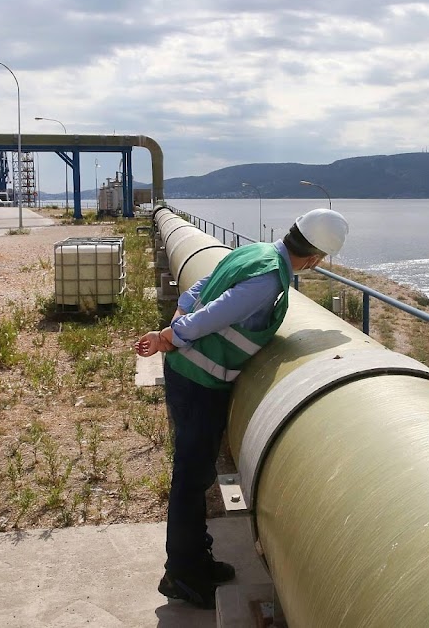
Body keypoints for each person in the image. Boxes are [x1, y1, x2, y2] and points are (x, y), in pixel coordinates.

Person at [135, 208, 349, 609]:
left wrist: (180, 310)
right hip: (199, 383)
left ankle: (196, 559)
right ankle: (184, 574)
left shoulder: (254, 252)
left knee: (194, 476)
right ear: (316, 257)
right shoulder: (269, 280)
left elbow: (200, 286)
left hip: (190, 375)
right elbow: (221, 310)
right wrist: (171, 334)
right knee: (191, 479)